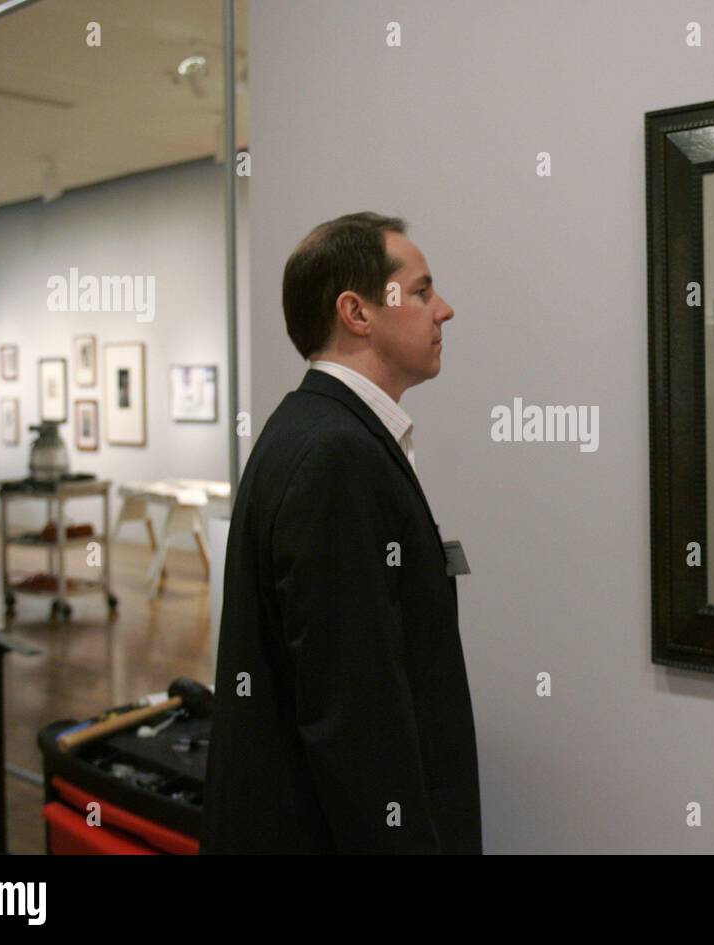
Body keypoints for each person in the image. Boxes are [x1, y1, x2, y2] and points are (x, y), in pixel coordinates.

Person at [202, 212, 481, 853]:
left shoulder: (309, 429)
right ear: (358, 313)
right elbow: (355, 716)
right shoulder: (337, 455)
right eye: (420, 291)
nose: (444, 310)